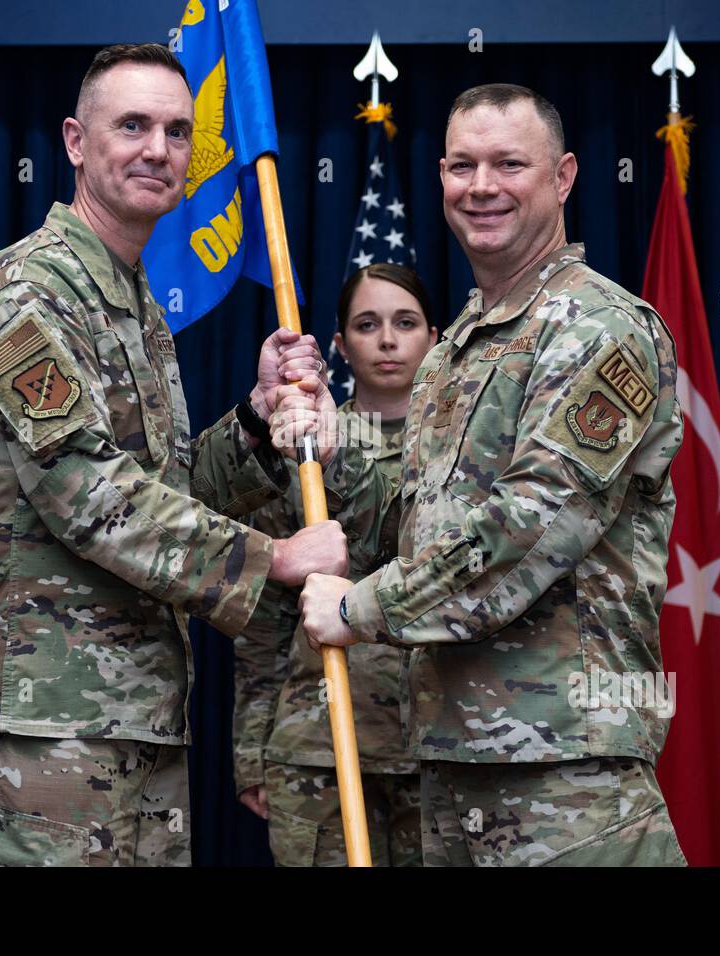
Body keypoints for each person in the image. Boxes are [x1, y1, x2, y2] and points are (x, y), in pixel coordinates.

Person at [0, 43, 345, 867]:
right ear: (77, 141)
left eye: (178, 132)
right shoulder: (22, 291)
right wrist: (277, 557)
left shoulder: (135, 305)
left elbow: (165, 490)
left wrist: (256, 423)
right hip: (46, 728)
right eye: (134, 126)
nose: (159, 149)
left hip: (140, 716)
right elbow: (87, 494)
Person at [286, 83, 688, 866]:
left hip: (564, 774)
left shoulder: (597, 328)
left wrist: (361, 607)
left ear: (564, 177)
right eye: (463, 166)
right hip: (453, 761)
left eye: (510, 164)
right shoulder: (459, 346)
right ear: (439, 177)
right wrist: (321, 443)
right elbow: (412, 522)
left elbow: (527, 529)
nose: (482, 187)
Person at [233, 264, 437, 866]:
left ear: (435, 336)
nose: (388, 340)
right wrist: (252, 746)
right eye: (367, 325)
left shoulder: (462, 444)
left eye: (406, 323)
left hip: (440, 746)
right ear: (342, 346)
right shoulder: (304, 440)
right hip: (319, 743)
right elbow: (265, 607)